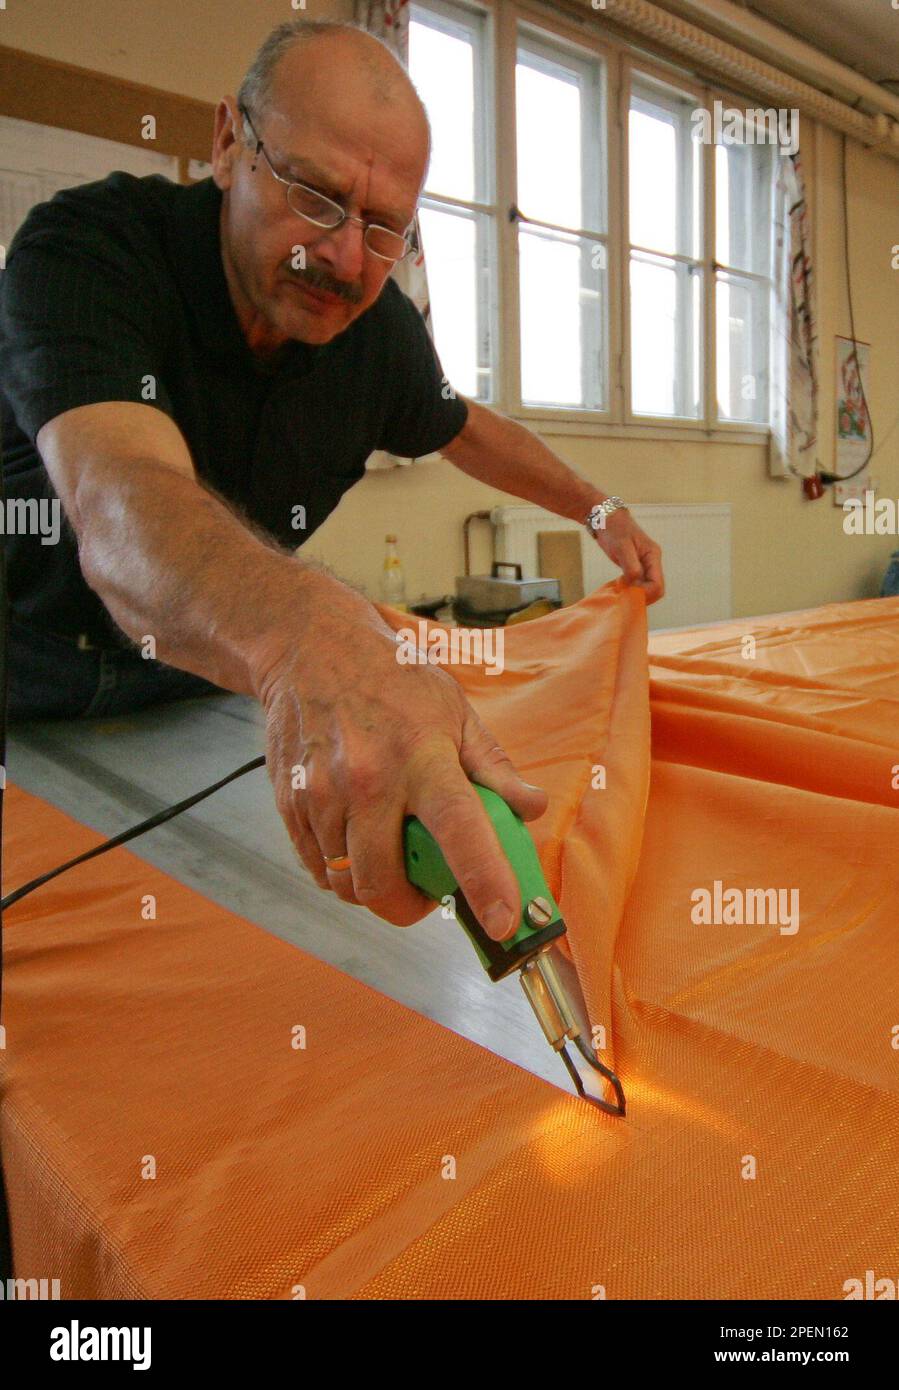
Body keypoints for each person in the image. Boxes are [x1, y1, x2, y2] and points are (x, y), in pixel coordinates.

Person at [0, 19, 664, 942]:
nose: (347, 259)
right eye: (315, 195)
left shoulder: (376, 332)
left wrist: (597, 506)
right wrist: (311, 630)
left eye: (386, 226)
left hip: (186, 693)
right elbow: (121, 504)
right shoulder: (89, 252)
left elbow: (463, 428)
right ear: (230, 142)